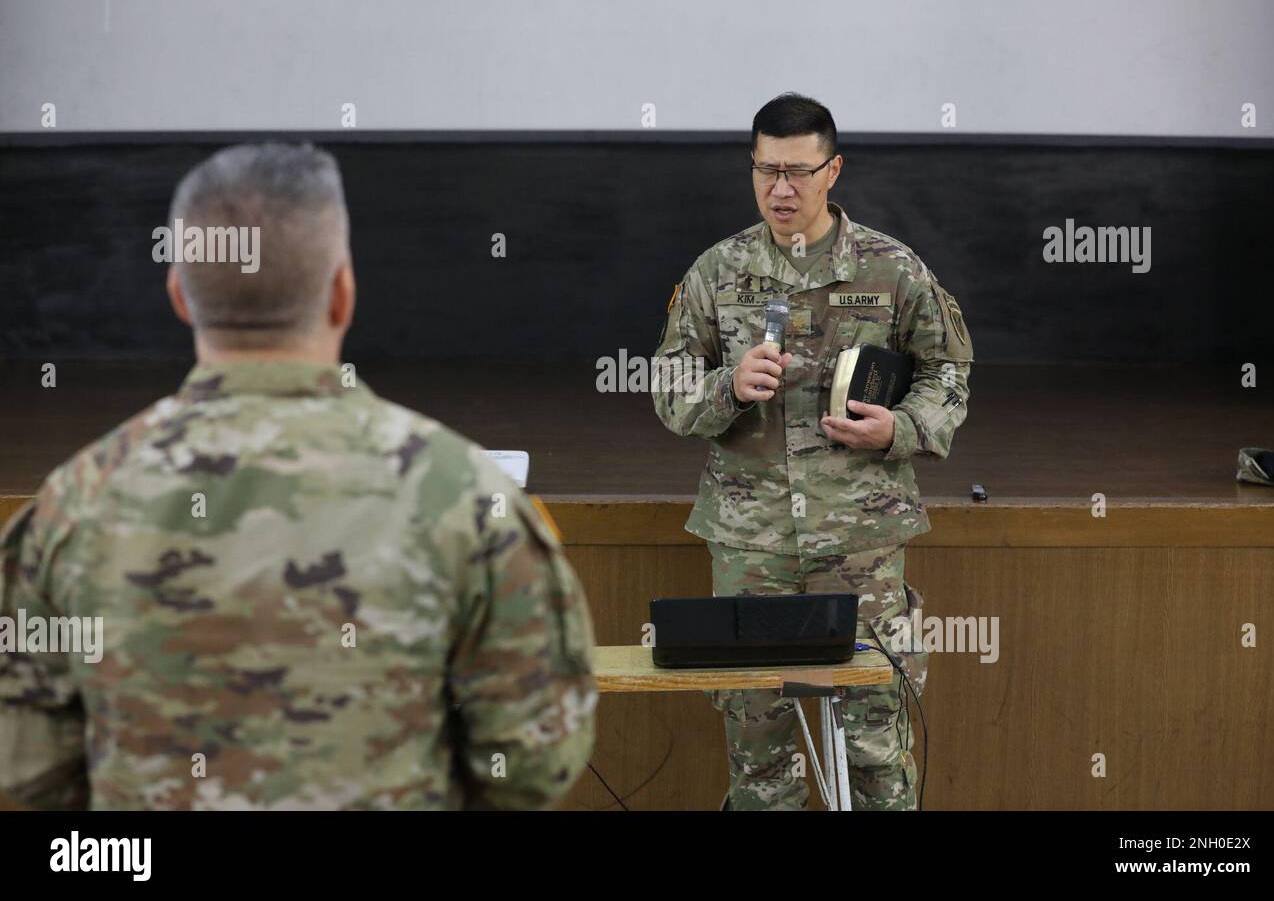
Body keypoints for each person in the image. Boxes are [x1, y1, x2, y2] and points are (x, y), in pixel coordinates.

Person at [0, 142, 597, 810]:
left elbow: (26, 769)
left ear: (178, 294)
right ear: (342, 291)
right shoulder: (469, 498)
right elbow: (535, 764)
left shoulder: (72, 504)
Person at [652, 93, 973, 810]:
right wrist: (727, 387)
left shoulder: (892, 269)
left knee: (876, 751)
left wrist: (902, 430)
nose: (781, 189)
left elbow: (947, 373)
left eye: (798, 172)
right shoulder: (718, 271)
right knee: (760, 756)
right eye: (765, 170)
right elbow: (670, 391)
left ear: (835, 171)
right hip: (752, 546)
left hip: (860, 544)